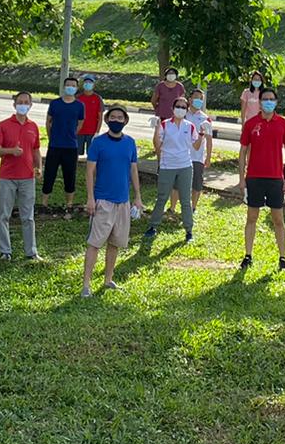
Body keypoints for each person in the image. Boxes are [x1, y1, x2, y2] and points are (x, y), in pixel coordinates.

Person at [81, 106, 143, 297]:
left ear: (125, 121)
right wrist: (91, 198)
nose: (116, 120)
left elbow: (133, 170)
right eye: (113, 117)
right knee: (95, 244)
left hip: (123, 202)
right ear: (107, 120)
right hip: (103, 201)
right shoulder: (98, 143)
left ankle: (108, 279)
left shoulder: (130, 143)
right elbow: (90, 171)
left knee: (115, 243)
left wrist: (138, 197)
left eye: (120, 117)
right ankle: (86, 285)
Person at [239, 85, 285, 271]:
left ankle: (283, 258)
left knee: (278, 219)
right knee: (252, 217)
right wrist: (241, 178)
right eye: (265, 99)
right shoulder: (251, 123)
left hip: (275, 178)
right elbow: (243, 150)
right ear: (260, 102)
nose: (268, 102)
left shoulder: (283, 123)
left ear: (276, 102)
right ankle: (248, 255)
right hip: (254, 177)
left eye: (272, 99)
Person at [0, 90, 42, 262]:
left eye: (26, 102)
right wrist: (11, 151)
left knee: (28, 217)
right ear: (14, 105)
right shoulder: (4, 125)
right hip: (7, 176)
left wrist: (39, 167)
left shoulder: (33, 126)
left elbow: (36, 149)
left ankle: (31, 252)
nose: (23, 105)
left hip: (28, 177)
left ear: (30, 105)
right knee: (4, 215)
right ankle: (5, 251)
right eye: (20, 102)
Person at [144, 96, 201, 241]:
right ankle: (153, 226)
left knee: (185, 200)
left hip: (185, 166)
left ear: (187, 110)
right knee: (162, 197)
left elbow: (196, 146)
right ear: (173, 108)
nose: (180, 109)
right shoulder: (164, 124)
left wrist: (202, 134)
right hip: (167, 165)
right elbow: (157, 145)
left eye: (183, 107)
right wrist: (156, 129)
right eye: (178, 106)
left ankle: (189, 231)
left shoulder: (190, 126)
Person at [42, 76, 85, 214]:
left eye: (73, 85)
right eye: (68, 85)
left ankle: (69, 204)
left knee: (69, 176)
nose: (70, 87)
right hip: (54, 145)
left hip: (71, 147)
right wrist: (51, 137)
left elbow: (80, 123)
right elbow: (48, 122)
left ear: (76, 88)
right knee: (49, 174)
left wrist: (72, 133)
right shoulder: (55, 103)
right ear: (64, 86)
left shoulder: (79, 105)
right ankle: (44, 203)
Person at [187, 88, 214, 212]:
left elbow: (209, 139)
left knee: (197, 184)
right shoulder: (183, 115)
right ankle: (173, 207)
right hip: (182, 156)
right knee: (178, 184)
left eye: (201, 99)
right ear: (190, 99)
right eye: (196, 97)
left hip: (197, 156)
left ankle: (193, 207)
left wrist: (208, 157)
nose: (198, 101)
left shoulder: (205, 118)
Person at [76, 73, 103, 158]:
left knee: (91, 153)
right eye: (86, 82)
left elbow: (100, 116)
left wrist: (97, 132)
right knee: (76, 152)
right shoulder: (77, 98)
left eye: (90, 83)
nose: (88, 84)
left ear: (93, 85)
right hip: (79, 130)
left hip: (92, 131)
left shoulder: (98, 98)